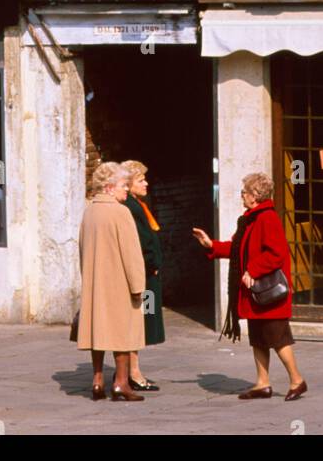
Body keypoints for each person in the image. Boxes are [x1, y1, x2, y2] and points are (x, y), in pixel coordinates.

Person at [192, 171, 308, 401]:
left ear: (255, 195)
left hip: (269, 292)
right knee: (258, 337)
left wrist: (253, 270)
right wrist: (211, 245)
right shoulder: (250, 219)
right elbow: (237, 249)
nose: (241, 196)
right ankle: (262, 383)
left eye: (244, 192)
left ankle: (297, 380)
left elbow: (277, 253)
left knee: (278, 338)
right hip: (257, 294)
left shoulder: (267, 218)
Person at [77, 161, 147, 402]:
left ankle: (97, 380)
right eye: (122, 185)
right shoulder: (121, 212)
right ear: (108, 187)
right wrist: (138, 285)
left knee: (98, 331)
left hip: (96, 284)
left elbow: (81, 250)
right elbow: (131, 254)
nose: (126, 190)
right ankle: (121, 383)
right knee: (122, 333)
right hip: (119, 284)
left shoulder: (89, 212)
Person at [121, 160, 164, 391]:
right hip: (144, 275)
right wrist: (152, 263)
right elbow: (141, 240)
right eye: (141, 180)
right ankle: (134, 373)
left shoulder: (138, 204)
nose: (146, 183)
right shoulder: (132, 207)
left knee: (142, 320)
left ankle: (132, 370)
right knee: (139, 321)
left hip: (147, 272)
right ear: (128, 184)